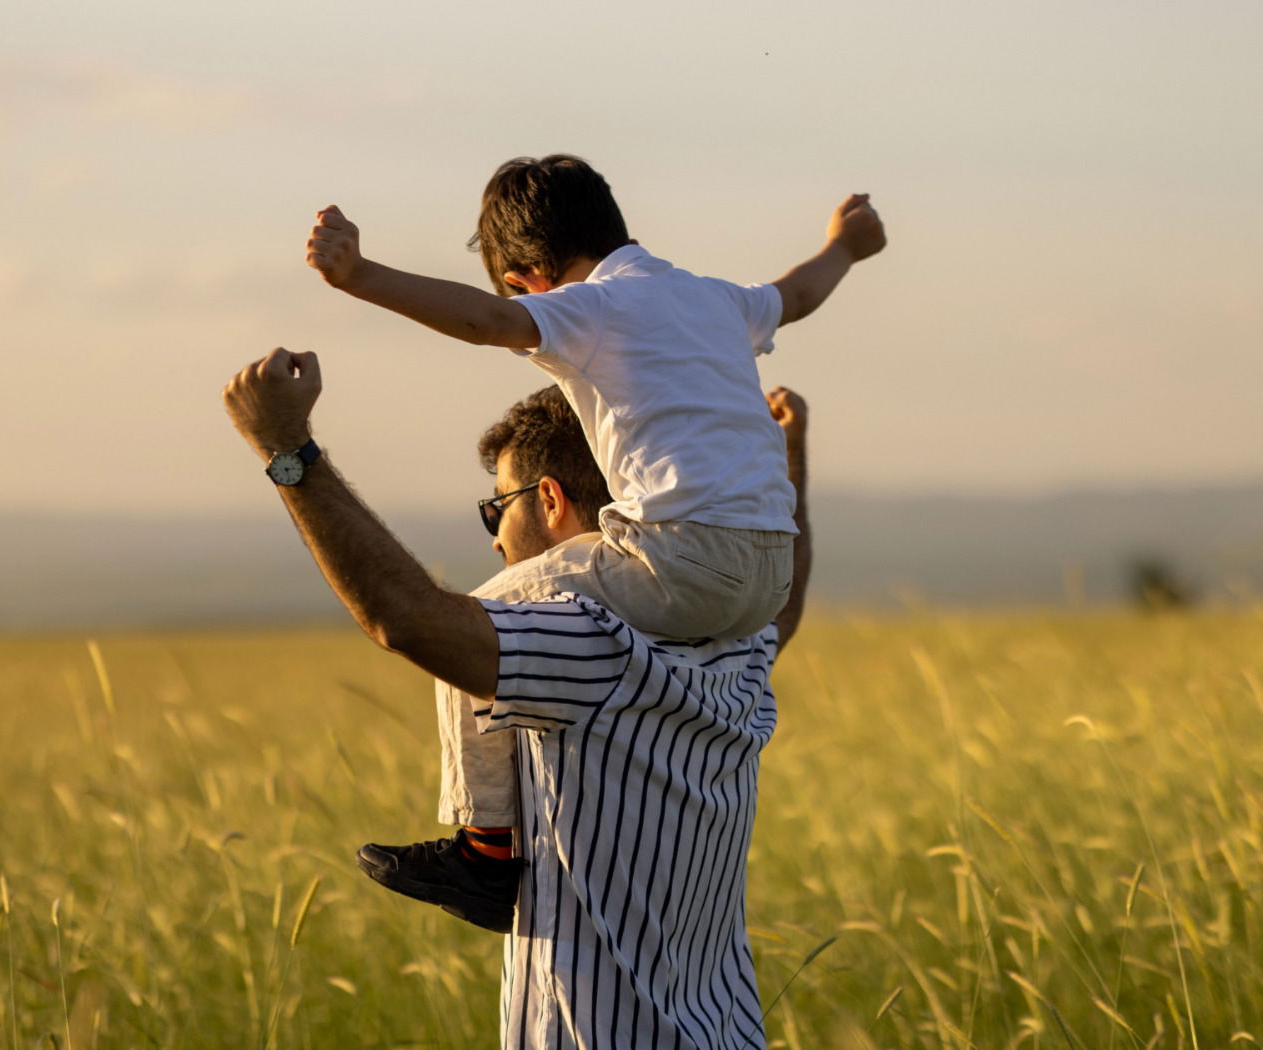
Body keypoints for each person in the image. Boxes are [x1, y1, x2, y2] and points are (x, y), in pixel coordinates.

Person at [222, 347, 813, 1049]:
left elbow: (407, 620)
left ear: (552, 501)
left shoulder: (590, 645)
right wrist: (787, 465)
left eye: (497, 508)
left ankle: (483, 850)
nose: (497, 538)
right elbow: (785, 602)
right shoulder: (733, 637)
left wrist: (285, 447)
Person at [306, 154, 877, 877]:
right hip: (767, 575)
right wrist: (846, 245)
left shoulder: (590, 307)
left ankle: (484, 851)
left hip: (678, 559)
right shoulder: (717, 298)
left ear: (530, 278)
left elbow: (484, 320)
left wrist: (359, 275)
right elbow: (798, 293)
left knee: (478, 616)